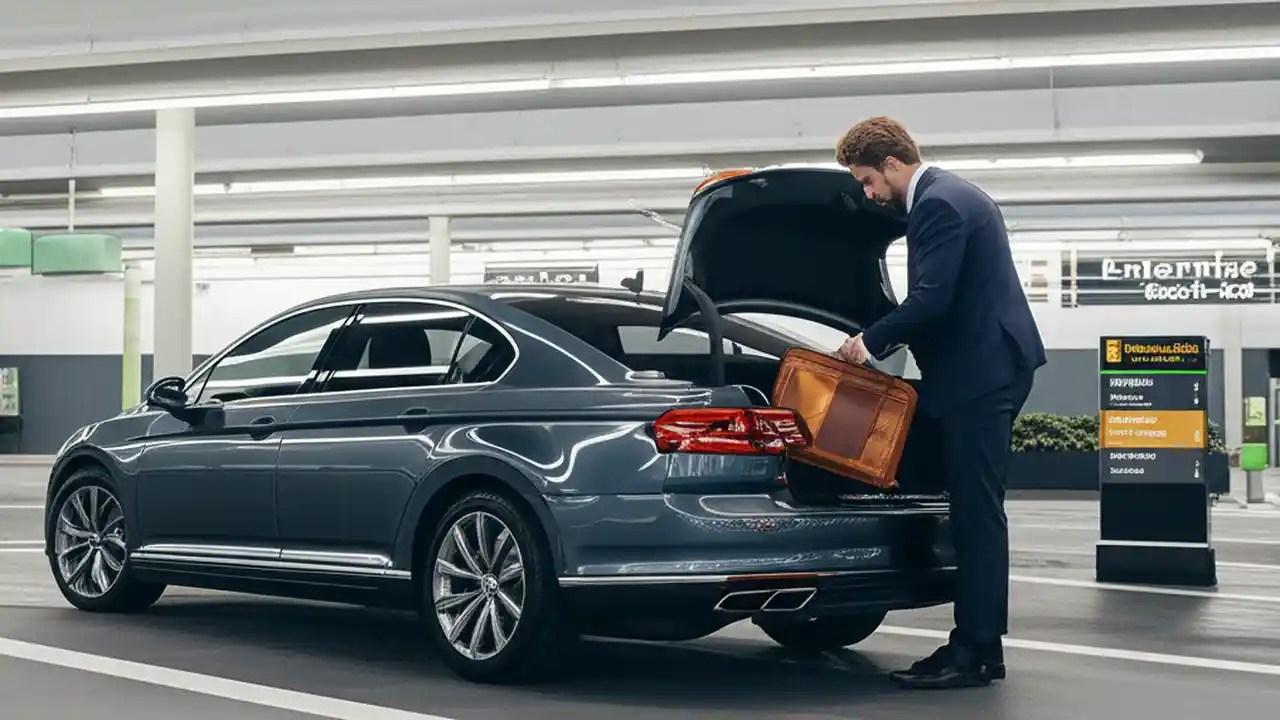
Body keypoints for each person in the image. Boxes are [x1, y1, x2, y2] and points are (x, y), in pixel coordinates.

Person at [832, 116, 1047, 689]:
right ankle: (976, 646)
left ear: (894, 165)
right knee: (973, 509)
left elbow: (932, 302)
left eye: (868, 181)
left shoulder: (938, 205)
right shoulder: (955, 194)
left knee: (977, 516)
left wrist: (867, 342)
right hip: (985, 369)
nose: (869, 194)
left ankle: (975, 652)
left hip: (980, 374)